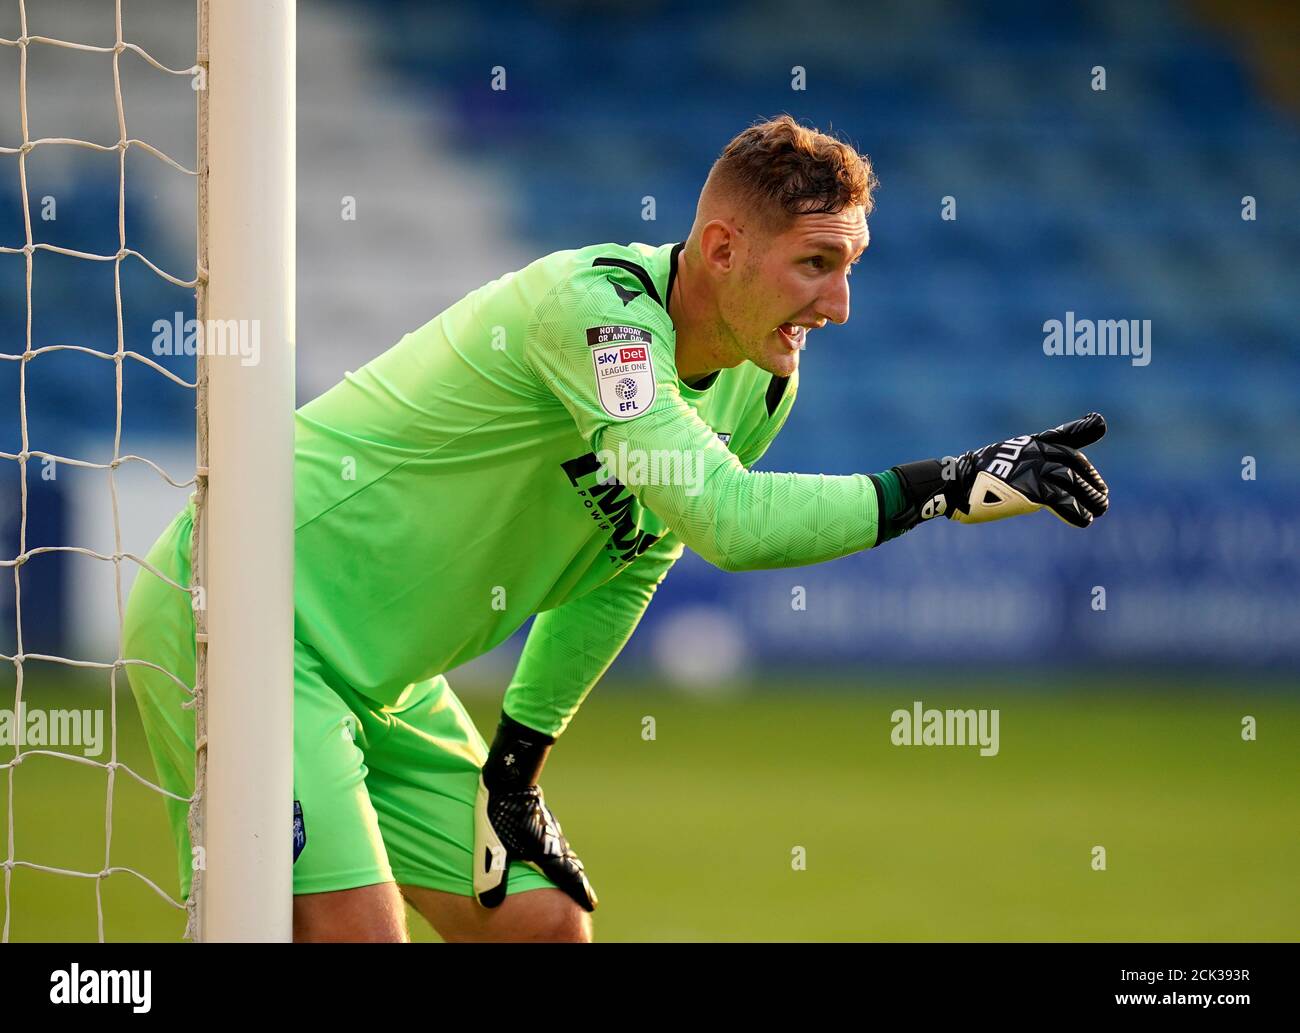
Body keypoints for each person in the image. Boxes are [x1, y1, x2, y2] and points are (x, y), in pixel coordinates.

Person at [123, 114, 1108, 943]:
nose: (838, 304)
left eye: (847, 267)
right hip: (250, 617)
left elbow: (632, 560)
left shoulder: (759, 385)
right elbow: (729, 522)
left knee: (543, 925)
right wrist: (940, 485)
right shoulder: (591, 312)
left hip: (384, 680)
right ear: (722, 248)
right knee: (352, 932)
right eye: (815, 264)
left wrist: (516, 767)